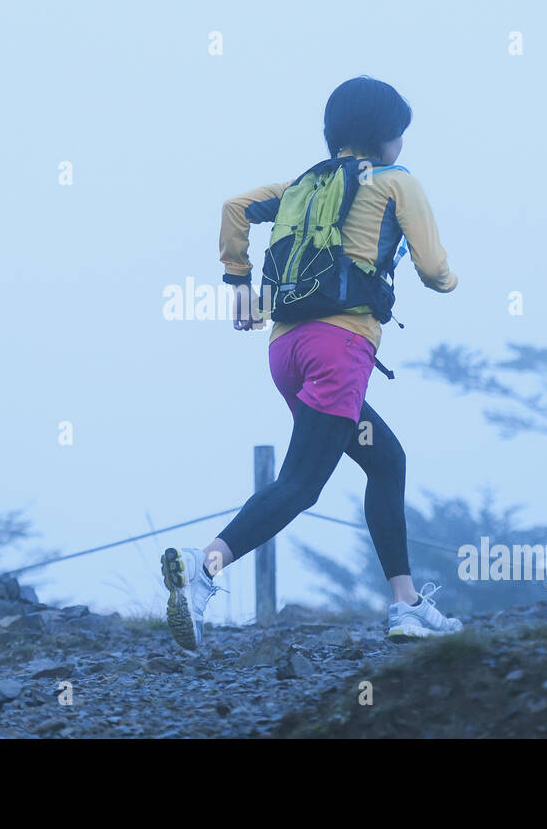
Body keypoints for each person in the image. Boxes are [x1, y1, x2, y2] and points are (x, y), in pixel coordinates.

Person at [160, 75, 464, 651]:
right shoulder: (398, 182)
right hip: (340, 348)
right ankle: (204, 569)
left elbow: (234, 207)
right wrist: (451, 278)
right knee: (301, 484)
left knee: (386, 461)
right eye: (400, 134)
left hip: (287, 350)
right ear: (388, 135)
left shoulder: (301, 185)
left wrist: (240, 285)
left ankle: (406, 606)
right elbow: (432, 271)